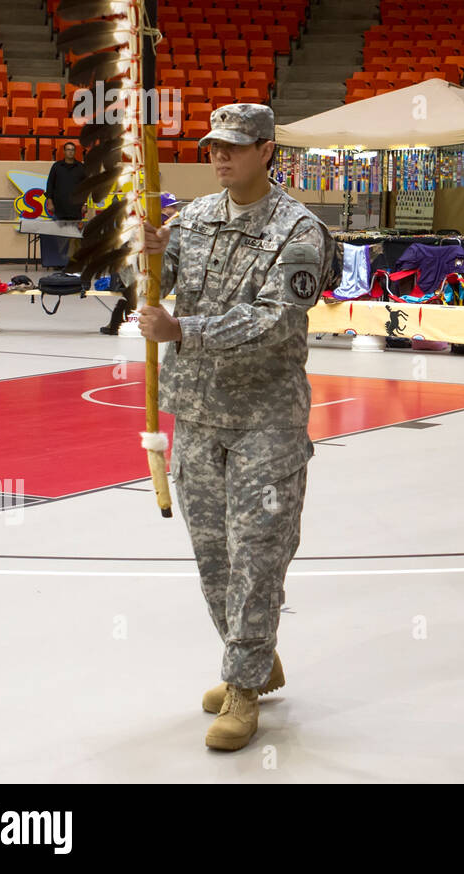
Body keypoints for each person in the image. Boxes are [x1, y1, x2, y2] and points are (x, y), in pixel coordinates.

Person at [137, 103, 334, 752]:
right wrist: (145, 258)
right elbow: (151, 290)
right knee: (214, 562)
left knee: (257, 559)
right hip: (195, 415)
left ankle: (245, 689)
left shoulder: (300, 231)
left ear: (267, 150)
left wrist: (182, 330)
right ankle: (250, 658)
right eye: (214, 146)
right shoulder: (192, 219)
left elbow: (277, 318)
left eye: (235, 146)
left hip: (265, 422)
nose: (220, 156)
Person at [41, 141, 87, 268]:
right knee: (60, 236)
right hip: (59, 207)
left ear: (75, 152)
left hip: (76, 208)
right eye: (68, 149)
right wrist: (49, 201)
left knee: (75, 237)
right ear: (64, 151)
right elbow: (50, 185)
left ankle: (73, 262)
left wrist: (84, 203)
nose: (70, 152)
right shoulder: (56, 166)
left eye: (72, 149)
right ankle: (59, 262)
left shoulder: (81, 167)